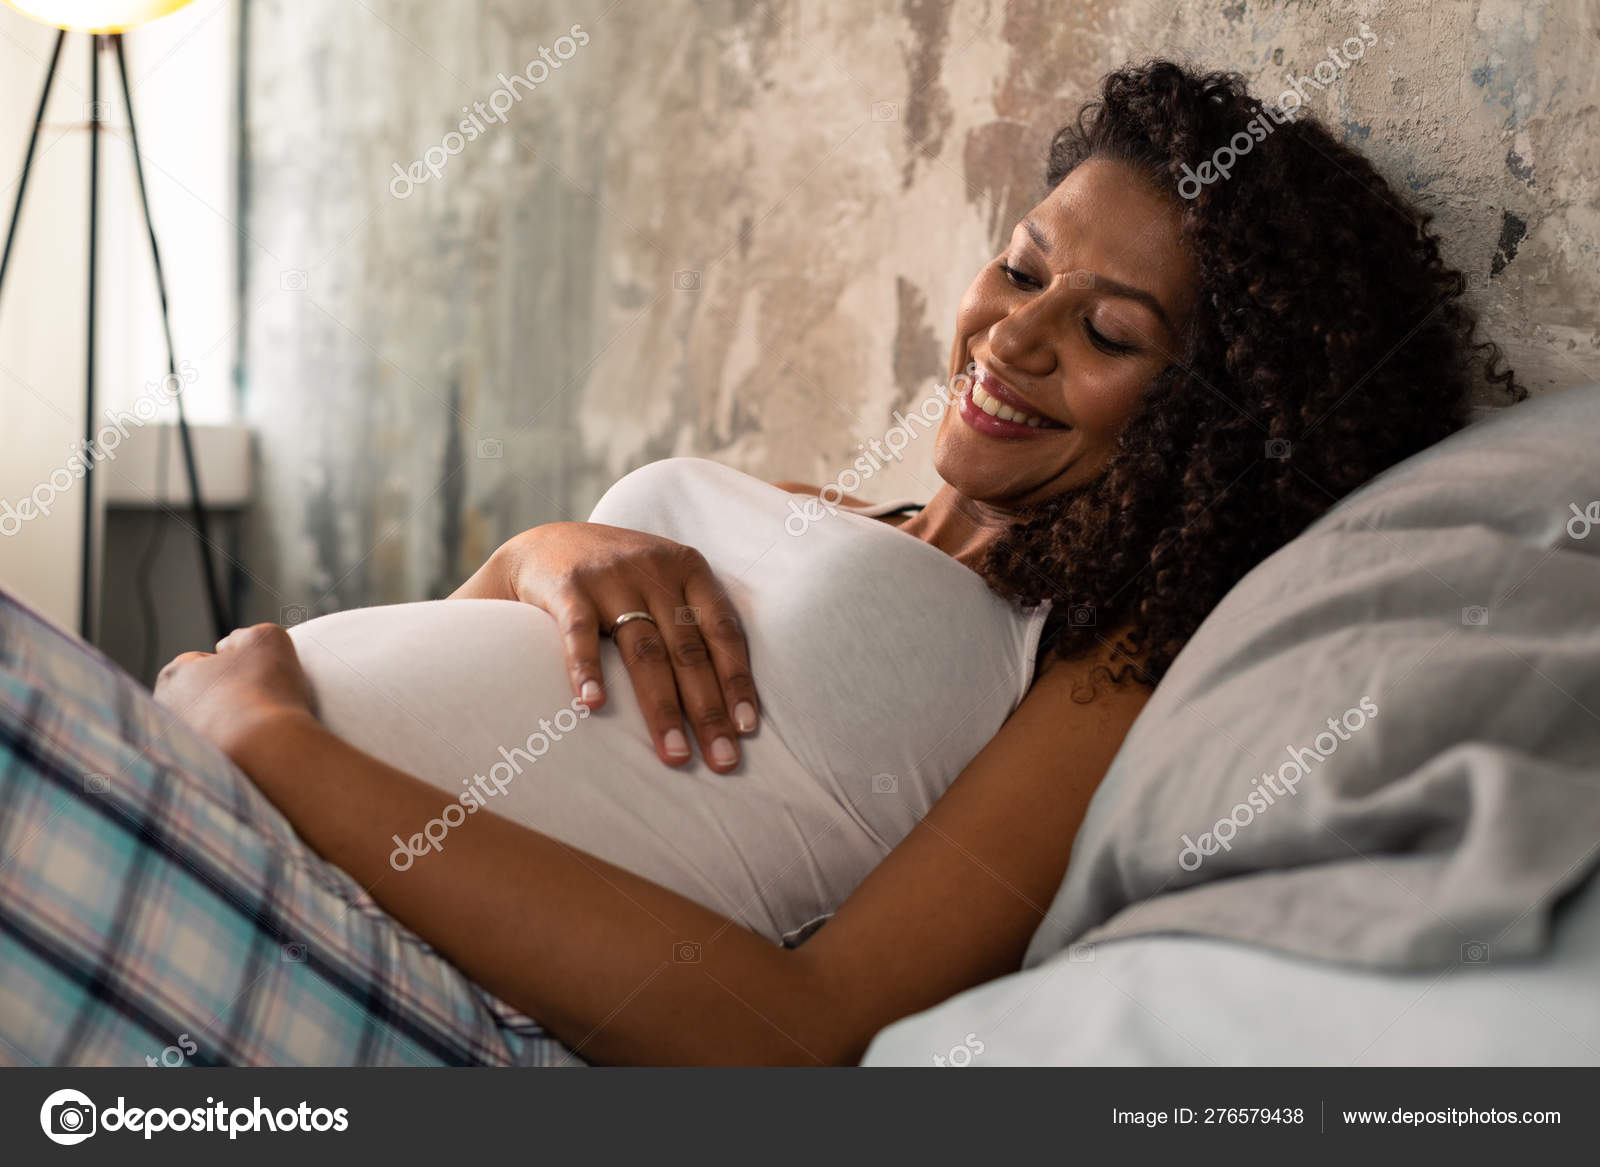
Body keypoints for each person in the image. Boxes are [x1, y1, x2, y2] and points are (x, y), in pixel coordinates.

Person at [150, 60, 1517, 1065]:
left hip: (326, 930)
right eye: (1021, 269)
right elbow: (527, 709)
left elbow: (802, 1035)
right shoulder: (835, 511)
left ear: (1213, 423)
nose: (1013, 336)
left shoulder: (1101, 666)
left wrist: (271, 742)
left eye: (1108, 334)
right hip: (226, 785)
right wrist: (532, 558)